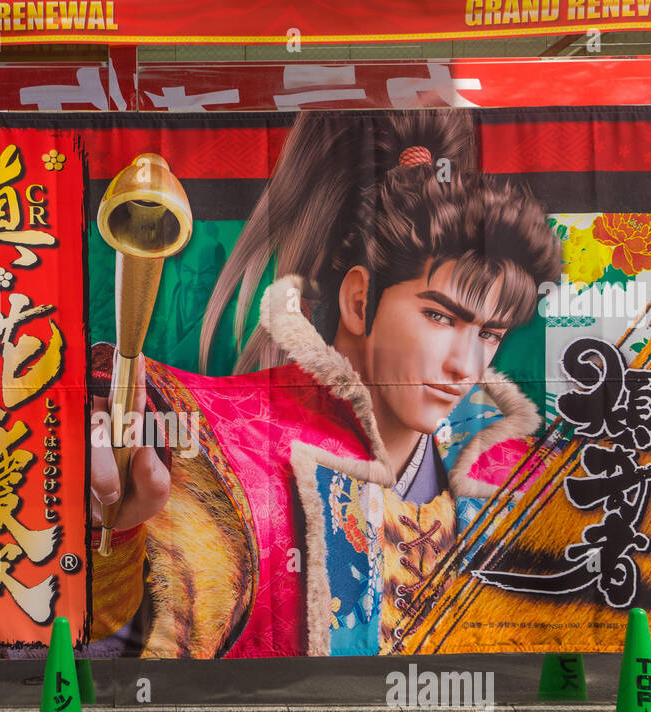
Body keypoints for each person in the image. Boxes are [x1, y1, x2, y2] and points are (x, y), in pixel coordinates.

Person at [89, 110, 562, 659]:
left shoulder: (505, 471)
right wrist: (115, 539)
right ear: (360, 301)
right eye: (440, 317)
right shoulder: (216, 441)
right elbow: (110, 652)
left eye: (491, 334)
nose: (466, 365)